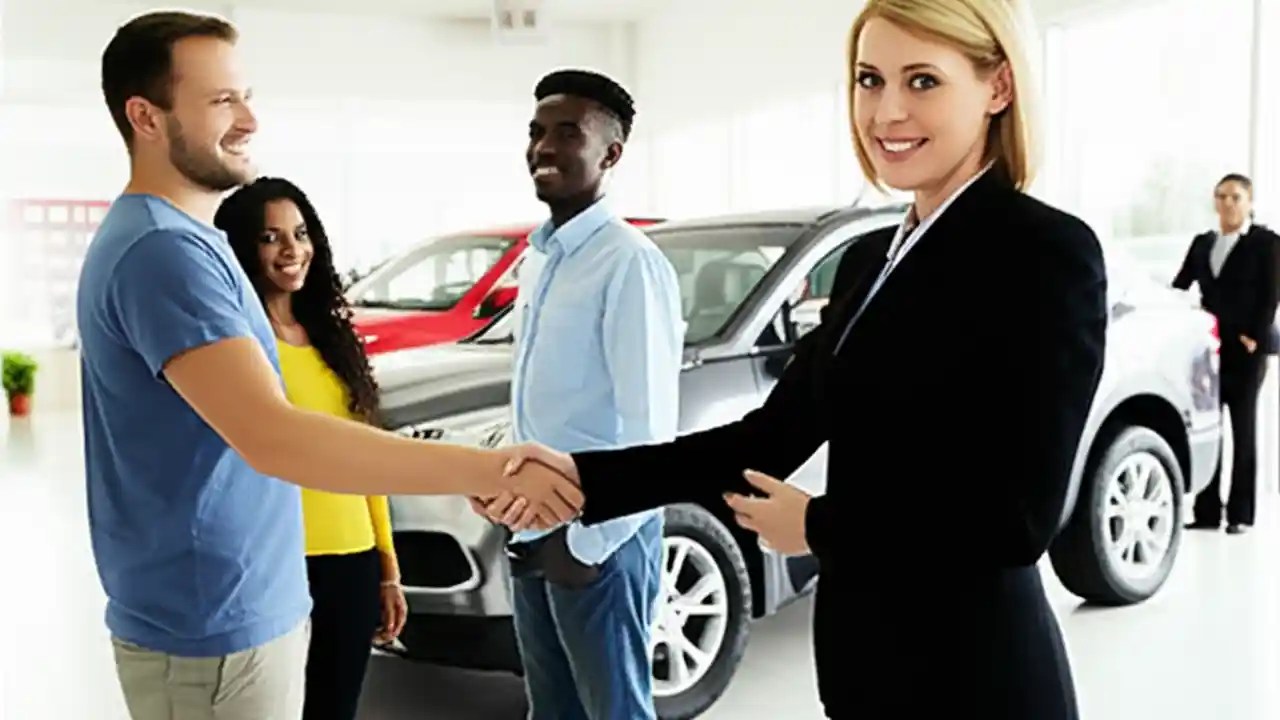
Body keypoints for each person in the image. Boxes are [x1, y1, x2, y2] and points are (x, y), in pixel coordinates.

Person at [494, 1, 1108, 717]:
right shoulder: (873, 259)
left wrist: (818, 527)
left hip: (973, 674)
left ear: (997, 88)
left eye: (922, 82)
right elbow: (767, 438)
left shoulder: (1042, 254)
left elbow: (1015, 522)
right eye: (870, 80)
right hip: (867, 664)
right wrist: (577, 479)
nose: (885, 113)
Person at [77, 12, 578, 719]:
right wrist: (487, 469)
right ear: (145, 117)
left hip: (244, 609)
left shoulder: (190, 239)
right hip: (212, 628)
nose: (250, 118)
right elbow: (275, 436)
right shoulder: (164, 252)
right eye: (222, 100)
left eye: (246, 94)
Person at [473, 69, 684, 719]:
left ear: (611, 154)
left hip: (600, 541)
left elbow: (651, 431)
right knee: (552, 712)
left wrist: (586, 544)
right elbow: (537, 404)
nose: (543, 147)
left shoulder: (628, 261)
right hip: (532, 530)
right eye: (536, 132)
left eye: (568, 133)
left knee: (613, 713)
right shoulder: (542, 257)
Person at [214, 177, 407, 720]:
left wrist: (387, 568)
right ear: (241, 247)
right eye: (270, 237)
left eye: (300, 234)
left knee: (334, 709)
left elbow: (367, 456)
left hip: (351, 560)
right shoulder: (237, 343)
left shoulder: (331, 335)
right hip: (273, 560)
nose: (291, 250)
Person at [1175, 173, 1280, 534]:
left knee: (1243, 429)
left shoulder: (1266, 243)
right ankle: (1206, 512)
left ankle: (1241, 514)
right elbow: (1180, 285)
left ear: (1249, 201)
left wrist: (1256, 336)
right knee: (1210, 427)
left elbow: (1271, 294)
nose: (1228, 203)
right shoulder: (1203, 243)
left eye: (1235, 197)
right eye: (1221, 196)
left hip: (1246, 349)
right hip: (1208, 349)